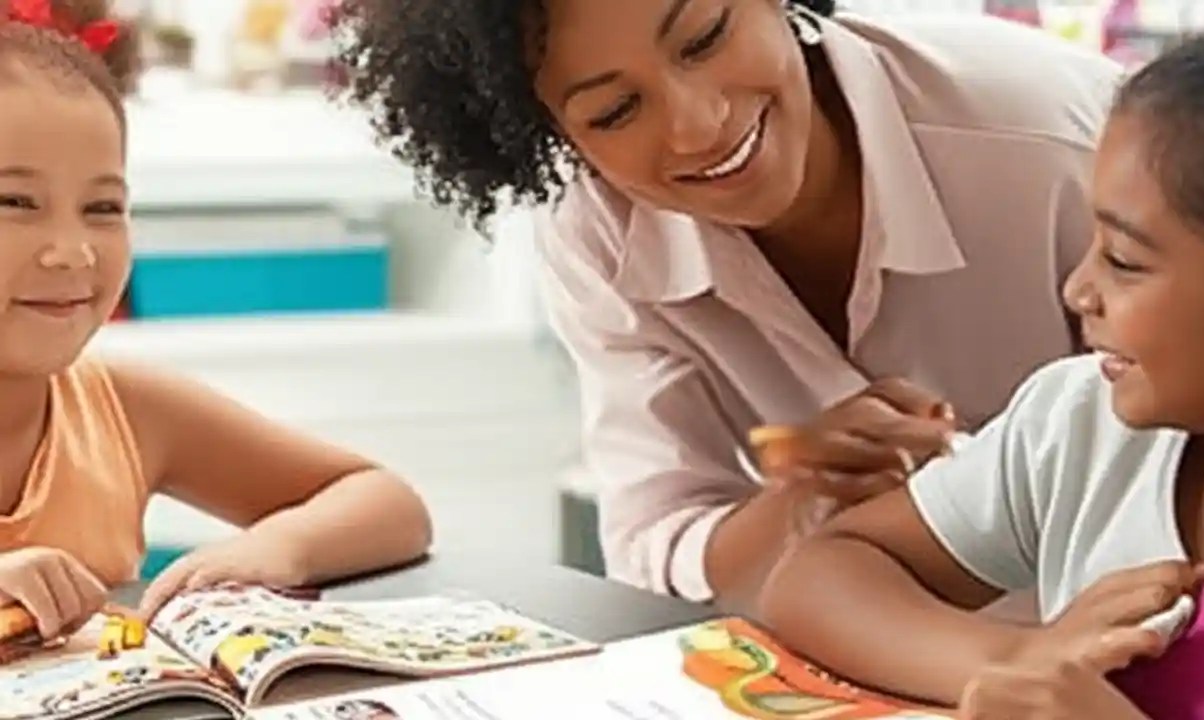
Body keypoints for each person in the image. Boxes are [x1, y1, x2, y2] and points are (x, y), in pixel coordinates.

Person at [328, 0, 1120, 602]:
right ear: (551, 138)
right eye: (614, 111)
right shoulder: (597, 231)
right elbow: (656, 537)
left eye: (705, 38)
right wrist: (799, 506)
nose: (698, 125)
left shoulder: (1051, 147)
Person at [760, 11, 1204, 718]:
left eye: (1125, 261)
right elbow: (821, 574)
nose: (1078, 290)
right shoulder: (1084, 431)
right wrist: (1016, 661)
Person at [0, 0, 432, 639]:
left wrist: (274, 549)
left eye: (103, 207)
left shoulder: (125, 408)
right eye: (14, 200)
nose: (73, 250)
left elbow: (386, 501)